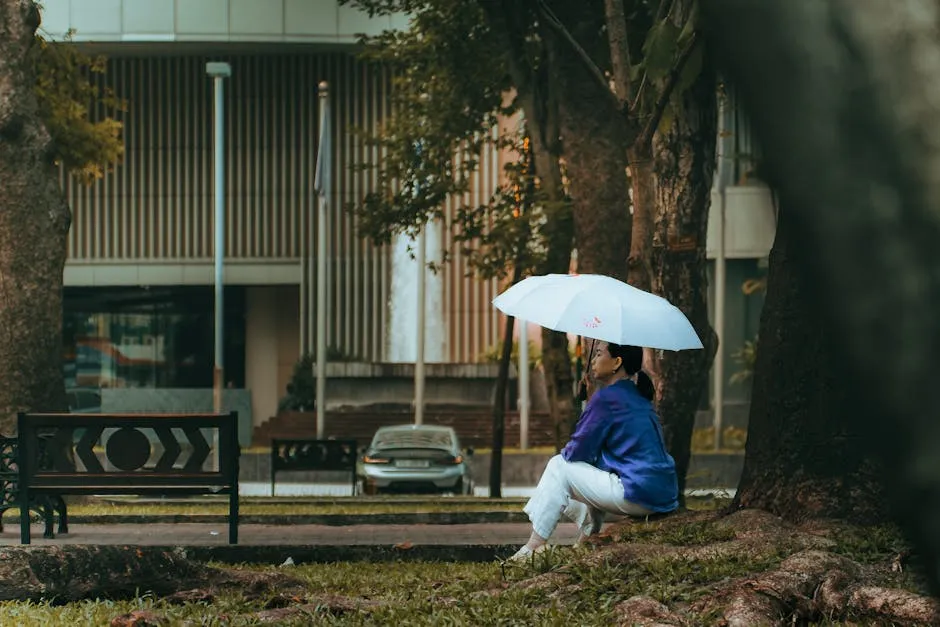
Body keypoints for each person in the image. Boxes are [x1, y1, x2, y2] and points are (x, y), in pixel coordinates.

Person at [509, 342, 678, 561]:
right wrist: (592, 402)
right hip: (662, 493)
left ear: (617, 362)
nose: (594, 361)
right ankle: (587, 537)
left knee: (559, 466)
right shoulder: (635, 394)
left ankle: (533, 546)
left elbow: (577, 452)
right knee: (578, 470)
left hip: (638, 494)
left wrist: (592, 405)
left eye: (599, 354)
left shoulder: (607, 398)